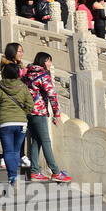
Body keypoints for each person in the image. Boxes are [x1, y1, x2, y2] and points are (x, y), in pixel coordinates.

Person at [22, 52, 71, 182]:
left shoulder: (28, 73)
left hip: (28, 111)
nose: (50, 64)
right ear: (43, 61)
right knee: (46, 141)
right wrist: (56, 114)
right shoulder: (43, 75)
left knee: (36, 141)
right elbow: (52, 95)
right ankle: (55, 172)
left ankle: (34, 172)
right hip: (39, 112)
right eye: (49, 61)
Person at [0, 63, 33, 187]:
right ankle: (14, 176)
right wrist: (22, 114)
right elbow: (30, 105)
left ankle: (13, 177)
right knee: (16, 151)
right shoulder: (23, 87)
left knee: (8, 151)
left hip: (5, 123)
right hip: (21, 123)